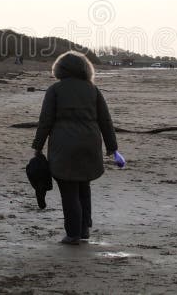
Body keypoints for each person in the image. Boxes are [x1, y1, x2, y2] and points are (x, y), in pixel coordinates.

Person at [31, 50, 118, 245]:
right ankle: (84, 228)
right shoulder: (93, 90)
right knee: (83, 187)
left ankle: (73, 234)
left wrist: (38, 146)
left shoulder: (55, 90)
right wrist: (112, 147)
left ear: (60, 69)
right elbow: (105, 120)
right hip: (90, 143)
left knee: (69, 190)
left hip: (64, 146)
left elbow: (45, 121)